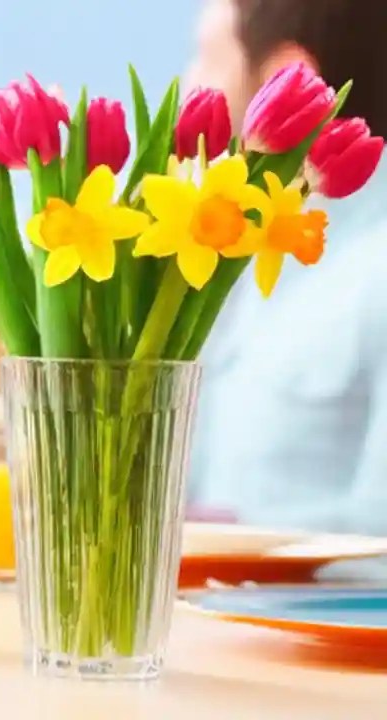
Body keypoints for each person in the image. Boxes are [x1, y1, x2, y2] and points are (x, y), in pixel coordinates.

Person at [186, 0, 387, 532]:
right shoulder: (238, 247)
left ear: (286, 78)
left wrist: (218, 536)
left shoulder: (376, 268)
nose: (188, 85)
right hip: (202, 609)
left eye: (208, 59)